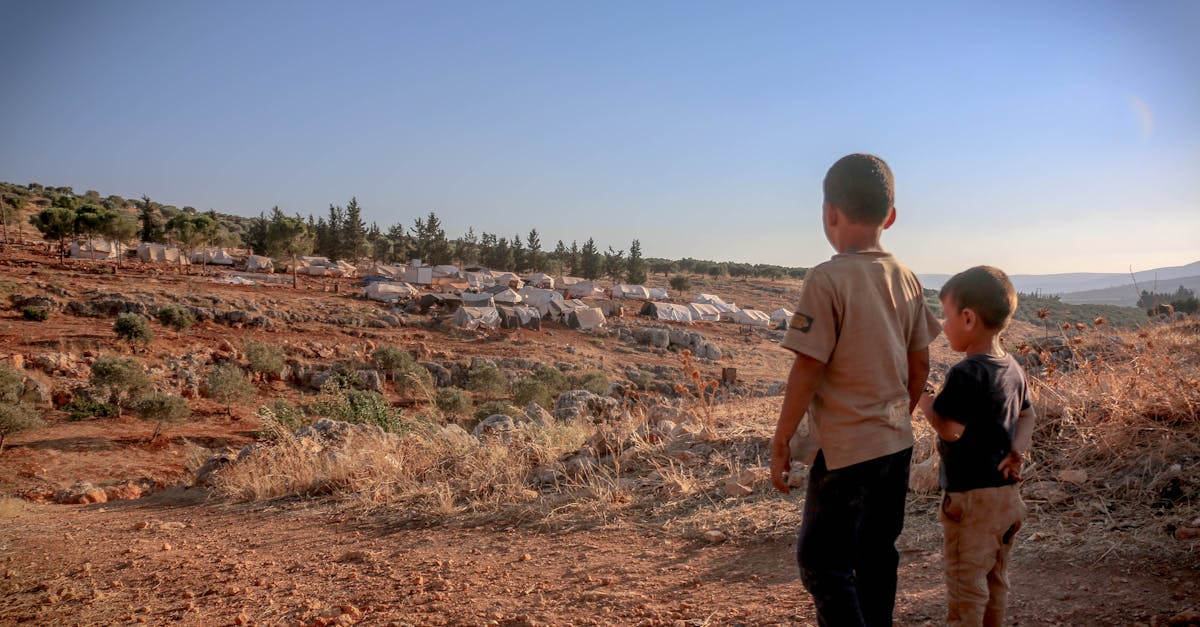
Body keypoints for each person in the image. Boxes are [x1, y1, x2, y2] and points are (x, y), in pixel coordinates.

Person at [770, 153, 942, 626]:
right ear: (890, 216)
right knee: (875, 555)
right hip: (895, 444)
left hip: (845, 450)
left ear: (829, 213)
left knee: (821, 562)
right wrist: (897, 416)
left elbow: (808, 366)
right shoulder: (907, 278)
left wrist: (782, 438)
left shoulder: (826, 278)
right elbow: (921, 360)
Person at [917, 266, 1036, 627]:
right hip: (1006, 498)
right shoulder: (1012, 367)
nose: (942, 323)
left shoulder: (966, 373)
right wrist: (1017, 451)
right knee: (995, 580)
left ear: (968, 318)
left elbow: (951, 431)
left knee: (966, 585)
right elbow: (1029, 416)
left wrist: (923, 399)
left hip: (971, 503)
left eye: (946, 315)